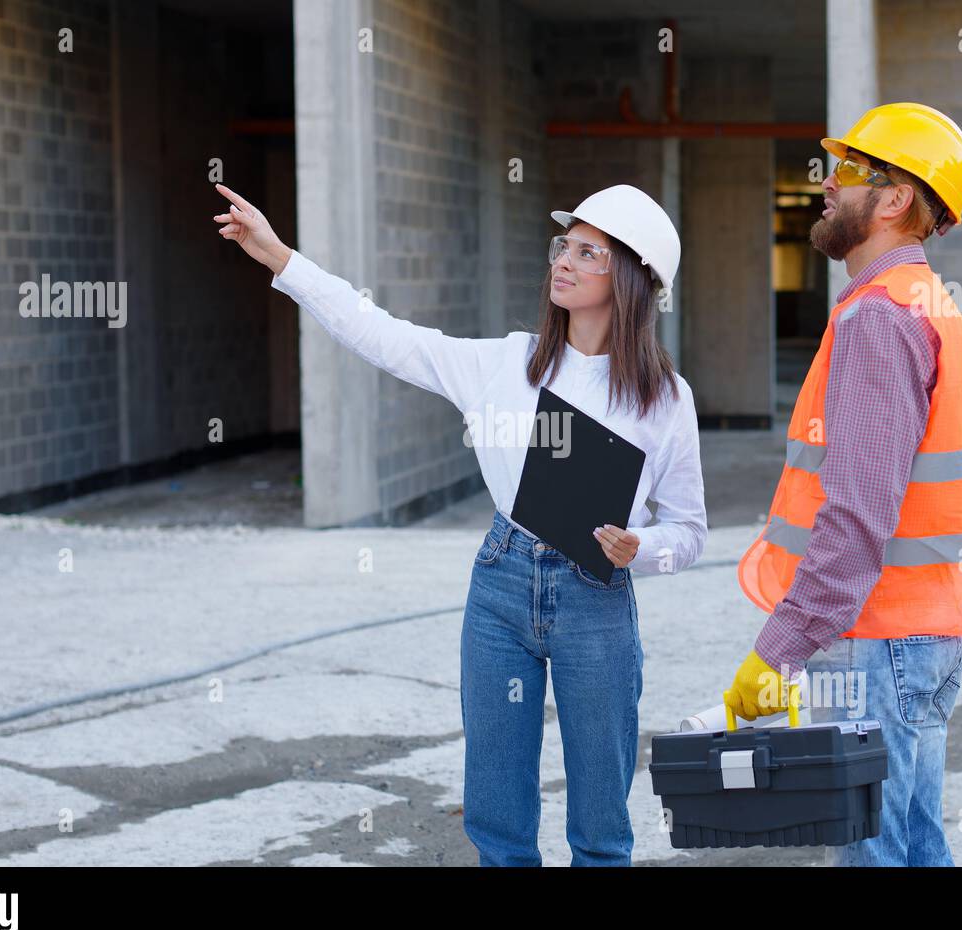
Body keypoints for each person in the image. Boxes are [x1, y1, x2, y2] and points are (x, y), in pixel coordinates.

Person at [212, 181, 707, 866]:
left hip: (596, 601)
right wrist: (279, 258)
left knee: (601, 823)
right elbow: (381, 334)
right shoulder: (504, 364)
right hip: (501, 587)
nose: (563, 260)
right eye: (564, 245)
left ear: (631, 279)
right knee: (496, 811)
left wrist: (638, 548)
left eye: (588, 252)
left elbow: (689, 530)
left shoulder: (665, 398)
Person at [722, 103, 962, 866]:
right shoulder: (922, 303)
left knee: (873, 856)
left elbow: (857, 515)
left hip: (879, 640)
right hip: (924, 633)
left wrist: (780, 648)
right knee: (916, 844)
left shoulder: (880, 318)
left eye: (848, 170)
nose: (825, 184)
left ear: (893, 200)